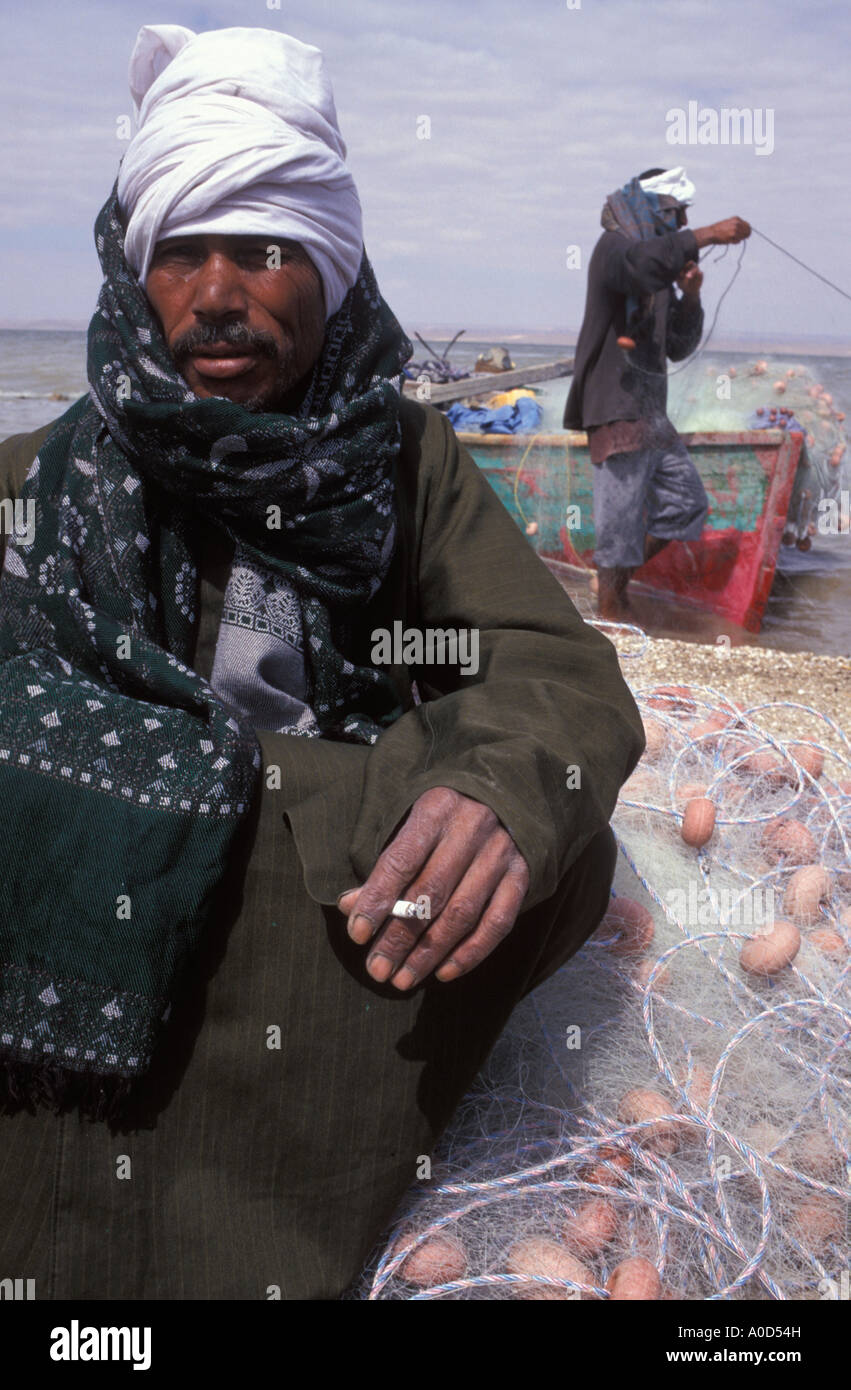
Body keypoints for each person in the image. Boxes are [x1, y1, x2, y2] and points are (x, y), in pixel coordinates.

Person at [0, 25, 644, 1300]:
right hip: (86, 931)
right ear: (140, 273)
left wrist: (491, 788)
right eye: (181, 251)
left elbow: (538, 667)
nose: (217, 292)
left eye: (264, 249)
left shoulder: (401, 461)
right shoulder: (42, 478)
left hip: (324, 937)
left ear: (331, 270)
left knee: (549, 849)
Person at [564, 167, 751, 619]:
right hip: (615, 407)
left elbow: (678, 346)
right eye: (677, 213)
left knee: (686, 504)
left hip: (650, 414)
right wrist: (709, 234)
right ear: (652, 208)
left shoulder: (659, 275)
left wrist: (690, 297)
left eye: (687, 215)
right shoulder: (616, 250)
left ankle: (611, 587)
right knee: (619, 523)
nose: (683, 223)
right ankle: (610, 613)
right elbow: (642, 264)